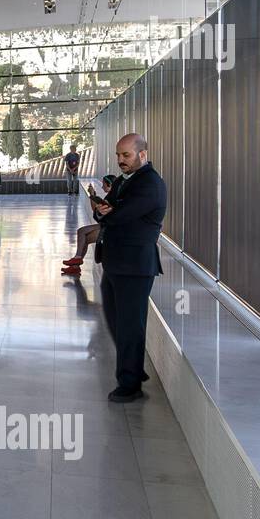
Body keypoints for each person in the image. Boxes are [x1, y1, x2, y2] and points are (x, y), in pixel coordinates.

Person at [93, 133, 167, 403]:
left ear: (142, 155)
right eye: (118, 155)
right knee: (115, 319)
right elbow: (104, 211)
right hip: (116, 263)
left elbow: (120, 215)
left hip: (135, 266)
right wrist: (104, 211)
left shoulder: (150, 184)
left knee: (130, 325)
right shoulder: (125, 181)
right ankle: (132, 367)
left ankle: (130, 383)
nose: (120, 160)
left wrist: (109, 212)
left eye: (126, 155)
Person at [60, 174, 118, 276]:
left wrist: (92, 196)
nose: (102, 186)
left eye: (104, 184)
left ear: (110, 185)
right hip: (107, 224)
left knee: (82, 232)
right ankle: (76, 265)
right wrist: (93, 196)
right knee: (83, 236)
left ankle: (77, 261)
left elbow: (96, 213)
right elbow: (96, 212)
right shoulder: (112, 196)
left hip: (110, 227)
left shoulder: (113, 197)